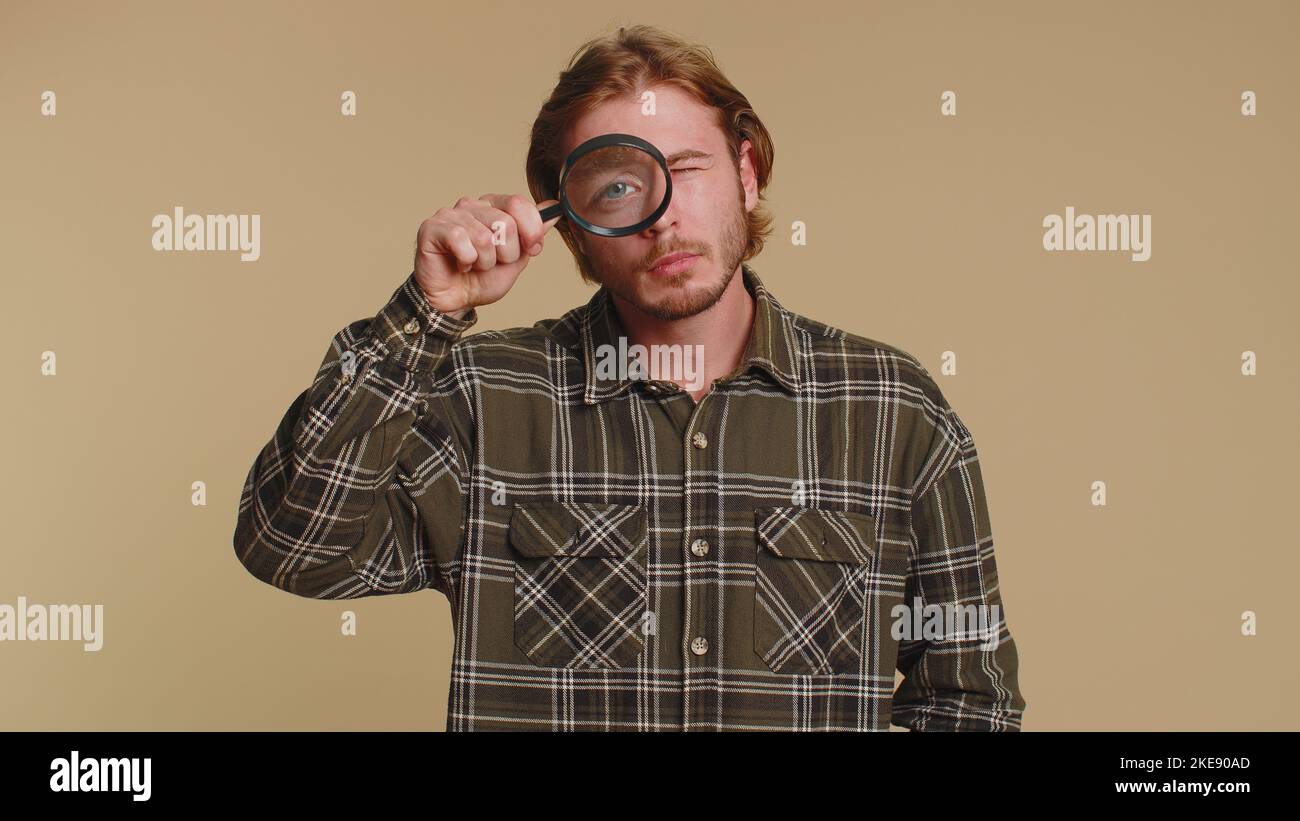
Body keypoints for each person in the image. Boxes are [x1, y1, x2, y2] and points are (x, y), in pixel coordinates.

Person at [233, 23, 1026, 731]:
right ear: (573, 224)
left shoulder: (893, 408)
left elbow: (969, 696)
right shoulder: (485, 396)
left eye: (688, 167)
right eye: (618, 187)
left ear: (747, 174)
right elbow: (290, 546)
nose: (663, 215)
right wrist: (427, 312)